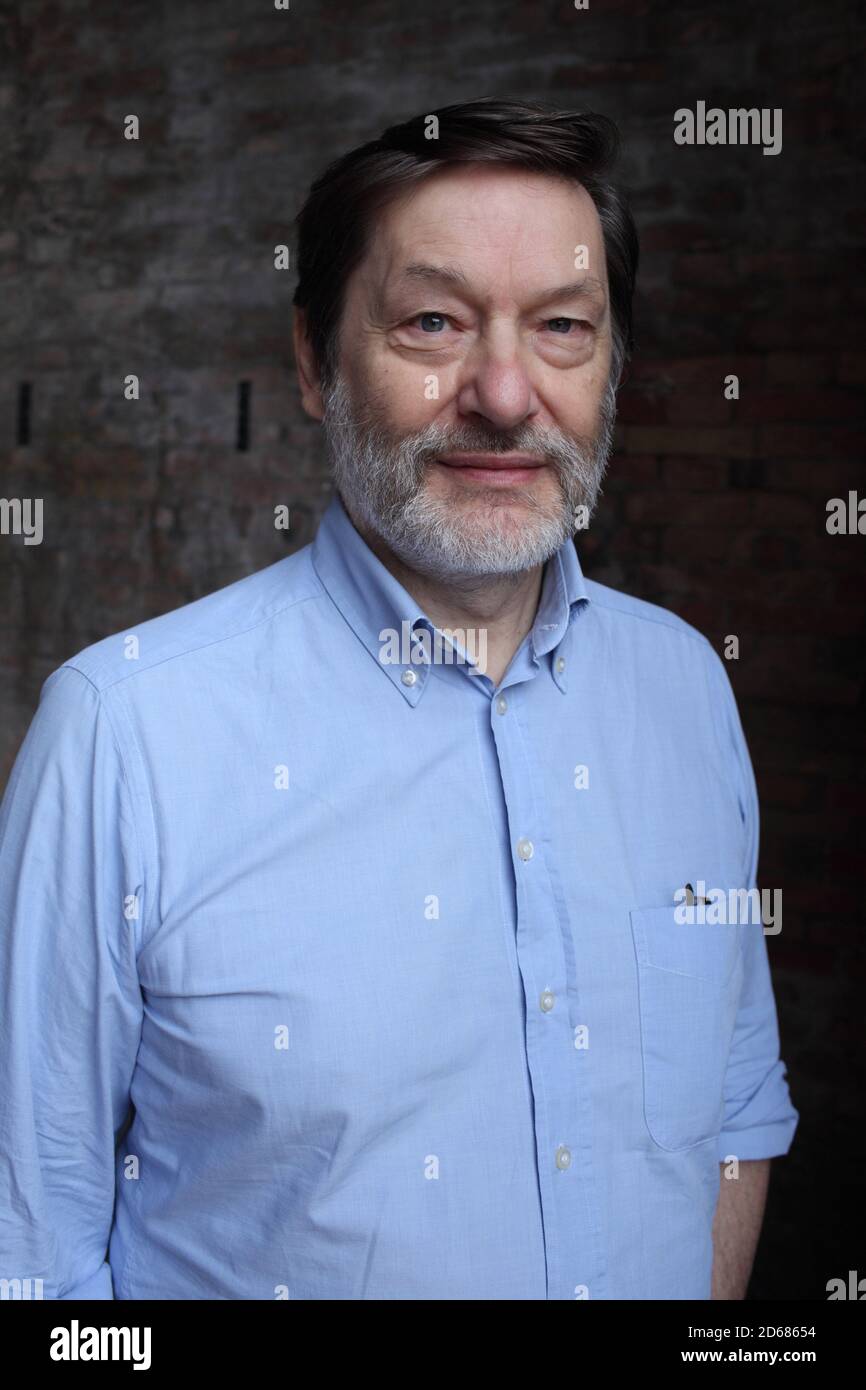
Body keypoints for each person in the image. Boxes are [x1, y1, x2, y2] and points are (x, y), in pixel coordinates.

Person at [0, 98, 797, 1301]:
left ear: (611, 365)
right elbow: (32, 1253)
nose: (504, 393)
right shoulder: (123, 736)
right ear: (316, 360)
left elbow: (734, 1109)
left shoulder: (682, 685)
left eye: (562, 327)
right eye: (432, 321)